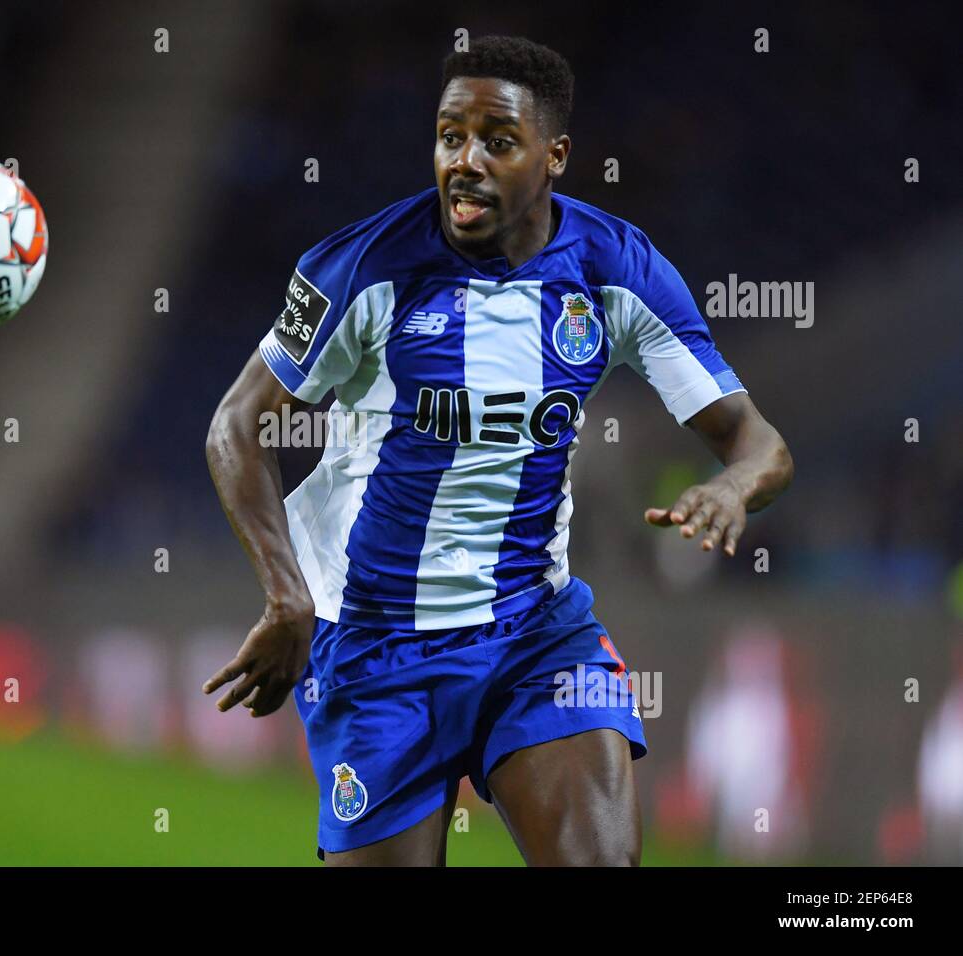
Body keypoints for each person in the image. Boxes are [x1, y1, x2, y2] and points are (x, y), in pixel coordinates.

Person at [204, 36, 793, 865]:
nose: (466, 162)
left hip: (535, 633)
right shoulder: (361, 266)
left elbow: (757, 441)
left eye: (497, 141)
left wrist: (733, 487)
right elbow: (237, 425)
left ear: (553, 156)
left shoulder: (614, 269)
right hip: (376, 648)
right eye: (451, 137)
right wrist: (285, 595)